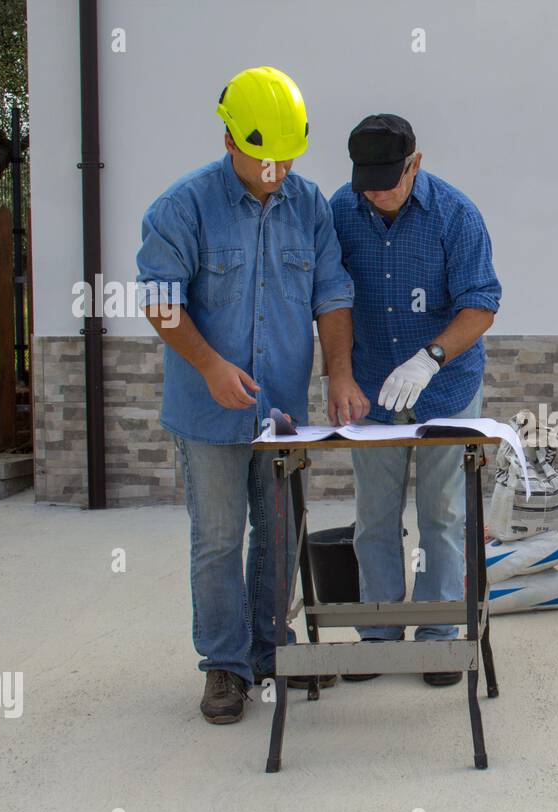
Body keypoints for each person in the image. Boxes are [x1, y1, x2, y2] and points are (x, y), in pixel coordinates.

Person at [136, 66, 366, 723]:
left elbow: (332, 294)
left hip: (282, 414)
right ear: (230, 139)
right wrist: (209, 365)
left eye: (288, 156)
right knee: (216, 538)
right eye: (265, 156)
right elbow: (159, 299)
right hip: (206, 414)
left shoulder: (311, 205)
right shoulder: (182, 207)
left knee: (278, 533)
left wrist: (340, 374)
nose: (278, 169)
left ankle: (273, 651)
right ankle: (225, 668)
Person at [329, 114, 501, 687]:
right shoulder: (339, 212)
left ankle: (437, 634)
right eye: (367, 182)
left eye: (388, 180)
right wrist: (340, 375)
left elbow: (480, 304)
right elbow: (332, 297)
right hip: (371, 388)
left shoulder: (457, 215)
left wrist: (430, 356)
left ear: (416, 164)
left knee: (444, 515)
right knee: (374, 514)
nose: (376, 193)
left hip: (446, 387)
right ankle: (378, 631)